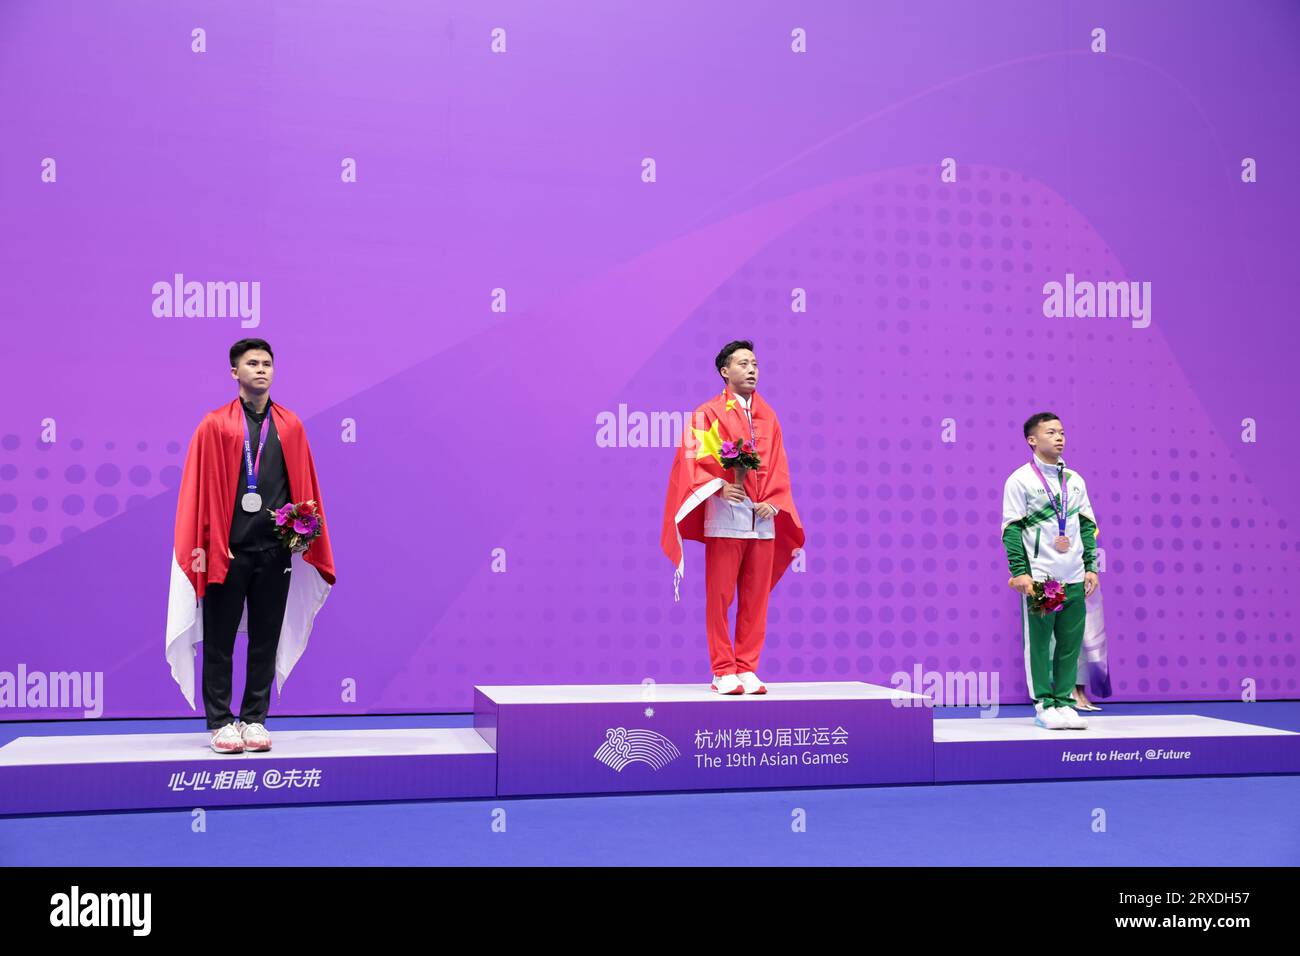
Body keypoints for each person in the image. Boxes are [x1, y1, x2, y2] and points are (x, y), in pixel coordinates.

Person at [166, 338, 336, 753]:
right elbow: (198, 492)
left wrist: (303, 532)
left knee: (266, 637)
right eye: (251, 363)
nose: (261, 369)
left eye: (267, 364)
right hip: (228, 551)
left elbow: (305, 488)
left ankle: (254, 718)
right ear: (234, 373)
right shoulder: (215, 425)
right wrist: (208, 544)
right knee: (220, 638)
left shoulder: (291, 425)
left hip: (275, 551)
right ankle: (220, 721)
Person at [661, 340, 804, 695]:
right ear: (725, 371)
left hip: (763, 519)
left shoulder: (769, 416)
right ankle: (722, 668)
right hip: (726, 517)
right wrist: (720, 487)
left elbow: (780, 466)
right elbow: (692, 461)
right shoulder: (707, 414)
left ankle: (747, 666)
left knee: (756, 599)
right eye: (743, 363)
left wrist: (775, 499)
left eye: (755, 363)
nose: (752, 369)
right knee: (721, 596)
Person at [1001, 412, 1099, 730]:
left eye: (1062, 432)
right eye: (1051, 432)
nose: (1059, 437)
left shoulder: (1075, 480)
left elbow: (1085, 525)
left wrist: (1090, 568)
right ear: (1032, 440)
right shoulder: (1020, 480)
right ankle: (1044, 703)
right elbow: (1012, 530)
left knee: (1070, 643)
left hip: (1072, 576)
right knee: (1041, 644)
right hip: (1044, 579)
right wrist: (1020, 571)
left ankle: (1065, 702)